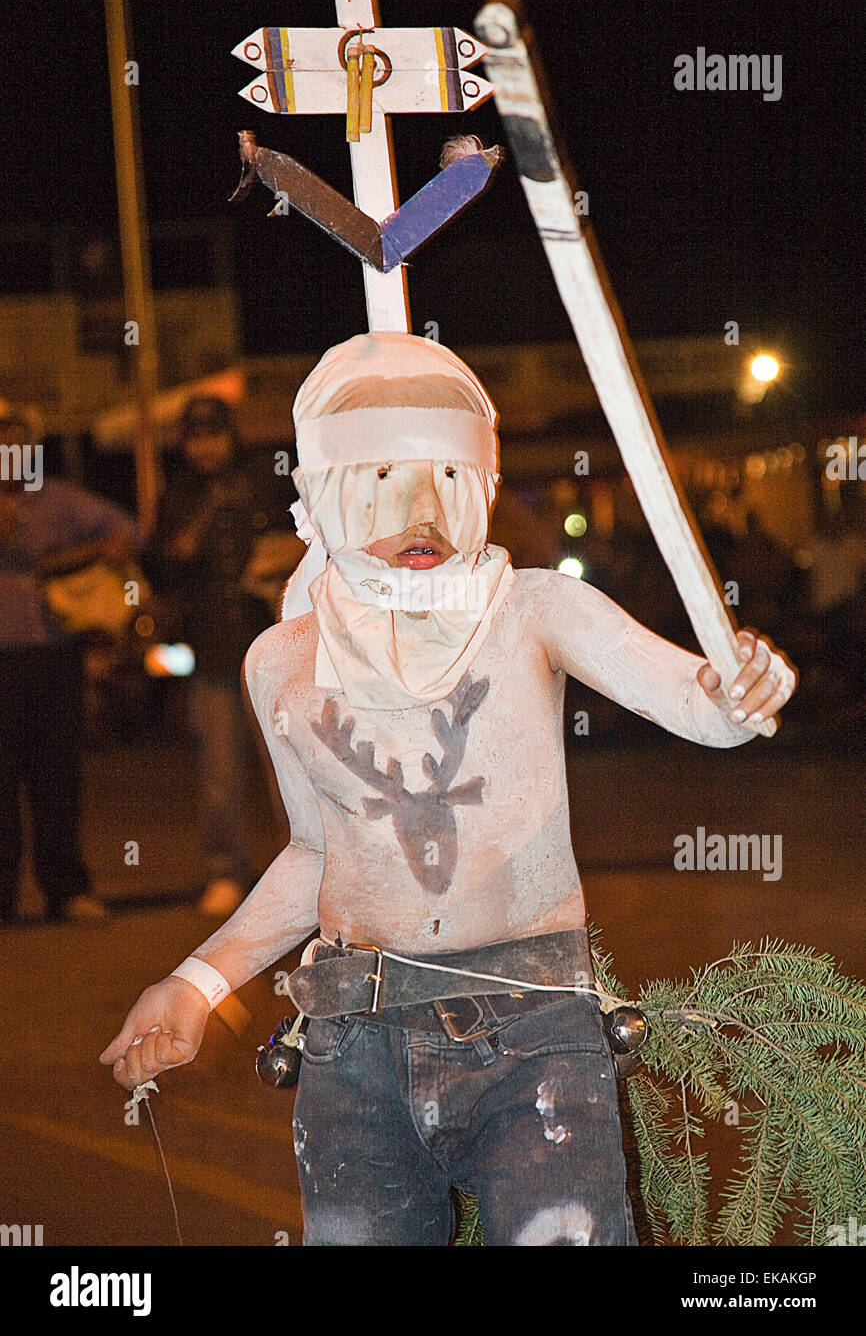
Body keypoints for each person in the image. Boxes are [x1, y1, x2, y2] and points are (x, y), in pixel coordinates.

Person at [101, 334, 796, 1245]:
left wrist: (739, 691)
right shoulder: (281, 660)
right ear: (323, 493)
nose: (422, 509)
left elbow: (698, 701)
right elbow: (317, 850)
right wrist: (197, 982)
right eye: (385, 478)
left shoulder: (534, 609)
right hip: (353, 1043)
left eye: (450, 477)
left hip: (533, 1038)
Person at [151, 396, 302, 917]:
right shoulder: (178, 494)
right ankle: (225, 872)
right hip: (213, 650)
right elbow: (157, 566)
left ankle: (305, 870)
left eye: (213, 434)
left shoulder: (267, 478)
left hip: (274, 645)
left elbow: (310, 537)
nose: (205, 447)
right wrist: (179, 549)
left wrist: (284, 552)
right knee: (219, 773)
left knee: (293, 768)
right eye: (195, 437)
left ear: (230, 434)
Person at [0, 404, 138, 924]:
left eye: (21, 445)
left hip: (54, 655)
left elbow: (126, 530)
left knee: (56, 776)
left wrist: (87, 553)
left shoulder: (57, 499)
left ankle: (65, 888)